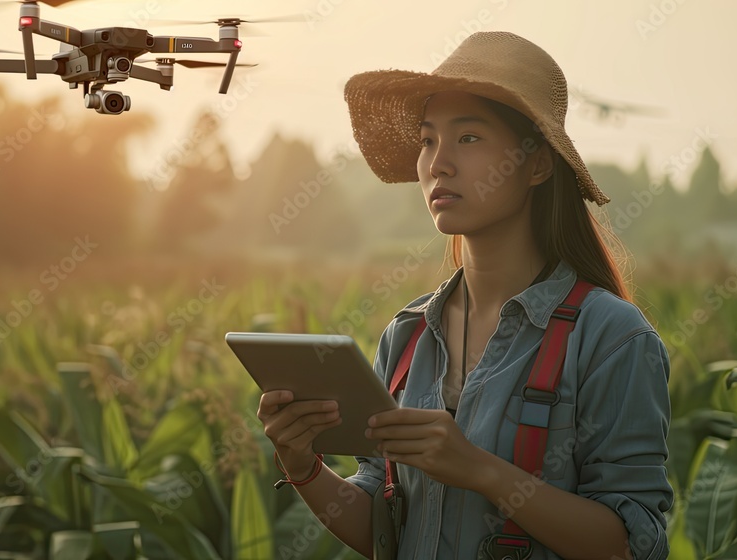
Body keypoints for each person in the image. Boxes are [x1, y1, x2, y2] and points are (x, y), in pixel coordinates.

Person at [256, 31, 673, 559]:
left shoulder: (611, 338)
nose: (438, 163)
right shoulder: (406, 338)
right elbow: (386, 532)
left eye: (468, 138)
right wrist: (303, 465)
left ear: (538, 164)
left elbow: (632, 546)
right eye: (428, 140)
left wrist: (480, 470)